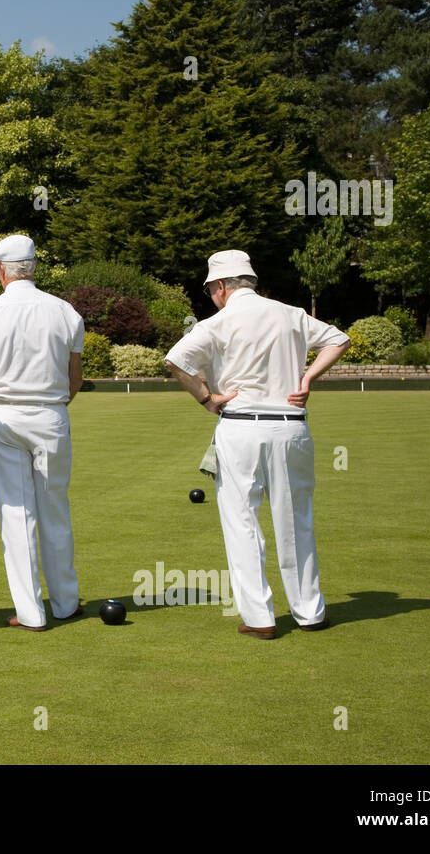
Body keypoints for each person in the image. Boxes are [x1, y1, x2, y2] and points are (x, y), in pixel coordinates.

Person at [164, 250, 350, 640]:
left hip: (240, 428)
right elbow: (338, 339)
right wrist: (308, 378)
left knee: (241, 521)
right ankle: (310, 612)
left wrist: (207, 398)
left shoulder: (216, 322)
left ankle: (261, 618)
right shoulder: (291, 313)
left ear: (219, 287)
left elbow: (175, 361)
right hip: (291, 428)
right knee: (296, 519)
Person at [0, 234, 86, 631]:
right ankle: (66, 603)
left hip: (2, 415)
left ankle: (31, 612)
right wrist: (50, 407)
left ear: (2, 270)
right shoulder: (65, 311)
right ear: (33, 268)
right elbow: (74, 380)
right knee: (54, 508)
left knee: (16, 512)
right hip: (51, 414)